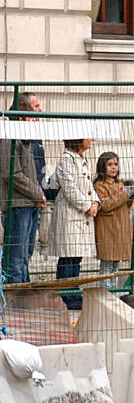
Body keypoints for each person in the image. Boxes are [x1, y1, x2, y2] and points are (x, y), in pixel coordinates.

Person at [1, 92, 47, 284]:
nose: (40, 111)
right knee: (16, 257)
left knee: (25, 255)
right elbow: (11, 172)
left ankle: (23, 294)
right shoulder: (8, 136)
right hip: (17, 205)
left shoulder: (26, 137)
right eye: (35, 107)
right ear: (22, 112)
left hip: (29, 203)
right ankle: (13, 300)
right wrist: (38, 193)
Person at [52, 138, 100, 311]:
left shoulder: (83, 159)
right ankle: (66, 294)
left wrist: (95, 202)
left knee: (76, 257)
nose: (91, 139)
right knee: (68, 257)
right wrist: (87, 205)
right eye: (88, 136)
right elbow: (69, 188)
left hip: (82, 215)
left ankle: (73, 291)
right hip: (70, 214)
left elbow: (89, 186)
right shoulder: (67, 158)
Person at [92, 151, 134, 286]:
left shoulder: (120, 184)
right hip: (108, 229)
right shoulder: (100, 184)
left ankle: (114, 292)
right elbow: (106, 205)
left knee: (116, 265)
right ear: (102, 167)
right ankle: (105, 292)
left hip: (120, 228)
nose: (114, 167)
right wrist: (124, 195)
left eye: (116, 164)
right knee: (107, 265)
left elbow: (125, 205)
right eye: (110, 165)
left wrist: (131, 195)